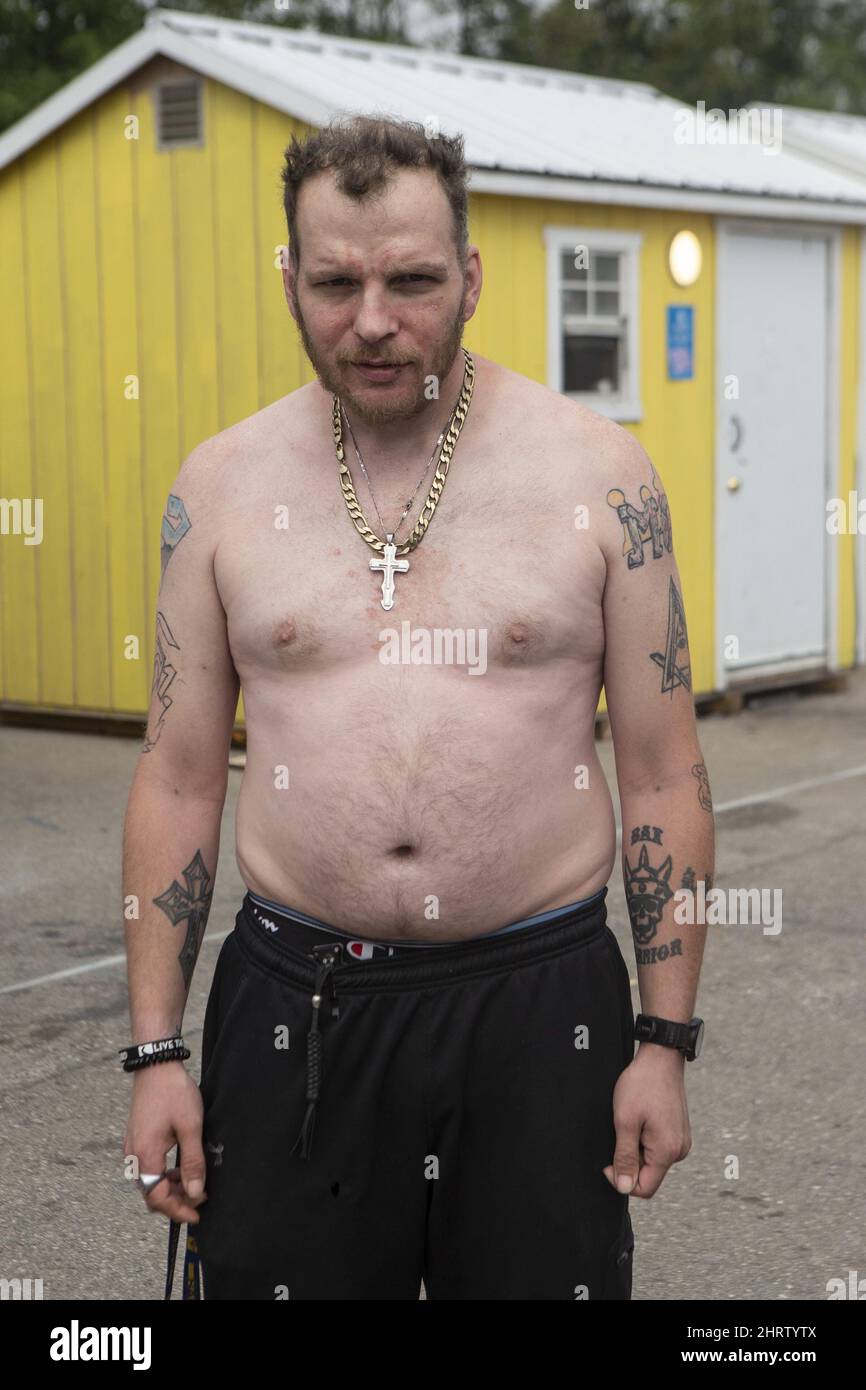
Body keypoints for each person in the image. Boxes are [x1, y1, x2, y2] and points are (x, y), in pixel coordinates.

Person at [121, 114, 714, 1301]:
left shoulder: (600, 476)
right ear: (289, 279)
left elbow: (660, 772)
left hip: (540, 1003)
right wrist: (155, 1052)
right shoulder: (221, 487)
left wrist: (662, 1042)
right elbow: (177, 778)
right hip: (299, 1005)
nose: (375, 321)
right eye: (335, 283)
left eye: (412, 280)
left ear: (473, 276)